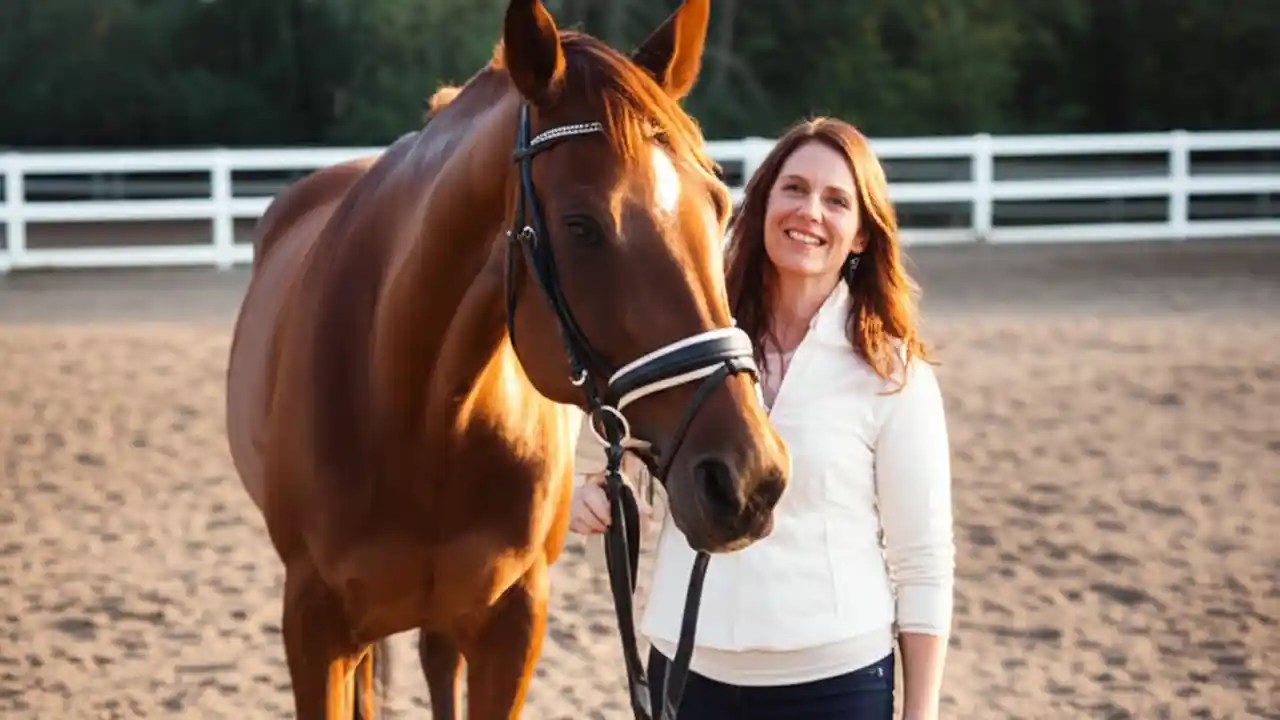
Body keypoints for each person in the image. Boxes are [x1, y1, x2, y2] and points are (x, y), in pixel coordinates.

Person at [570, 117, 954, 720]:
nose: (810, 212)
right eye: (793, 189)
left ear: (860, 235)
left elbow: (923, 557)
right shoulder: (687, 346)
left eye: (836, 200)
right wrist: (589, 494)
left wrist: (922, 711)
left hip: (835, 680)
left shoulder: (892, 374)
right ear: (764, 204)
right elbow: (632, 461)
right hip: (686, 664)